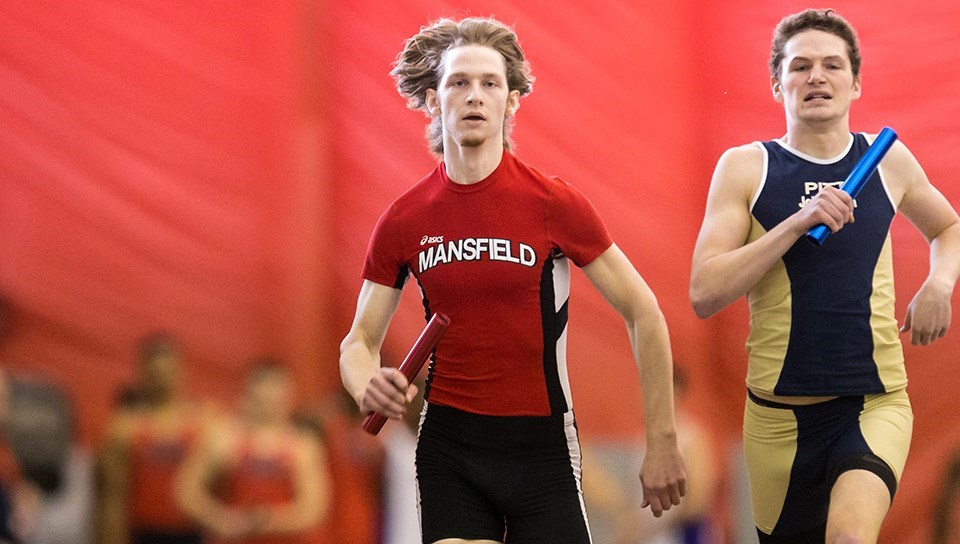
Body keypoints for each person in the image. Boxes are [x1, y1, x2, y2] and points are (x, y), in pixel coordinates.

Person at [339, 16, 686, 544]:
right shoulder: (405, 219)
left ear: (512, 101)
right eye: (459, 82)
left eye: (490, 83)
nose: (474, 95)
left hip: (542, 450)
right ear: (434, 100)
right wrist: (368, 381)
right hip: (451, 447)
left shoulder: (554, 205)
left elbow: (644, 313)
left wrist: (662, 440)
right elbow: (358, 341)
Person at [689, 8, 960, 544]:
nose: (817, 76)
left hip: (872, 402)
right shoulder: (746, 167)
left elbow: (948, 227)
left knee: (848, 537)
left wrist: (939, 285)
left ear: (855, 82)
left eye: (833, 65)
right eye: (801, 66)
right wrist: (797, 221)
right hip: (777, 418)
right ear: (777, 84)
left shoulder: (887, 160)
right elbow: (704, 292)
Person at [175, 359, 329, 544]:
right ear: (247, 393)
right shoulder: (223, 438)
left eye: (275, 393)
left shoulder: (303, 445)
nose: (268, 401)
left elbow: (313, 509)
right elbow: (187, 492)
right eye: (263, 393)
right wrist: (220, 519)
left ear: (288, 396)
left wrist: (267, 521)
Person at [98, 332, 204, 544]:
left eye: (168, 371)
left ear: (181, 371)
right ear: (143, 374)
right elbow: (113, 497)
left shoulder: (204, 424)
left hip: (192, 531)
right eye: (156, 373)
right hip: (144, 532)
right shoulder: (124, 428)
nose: (162, 379)